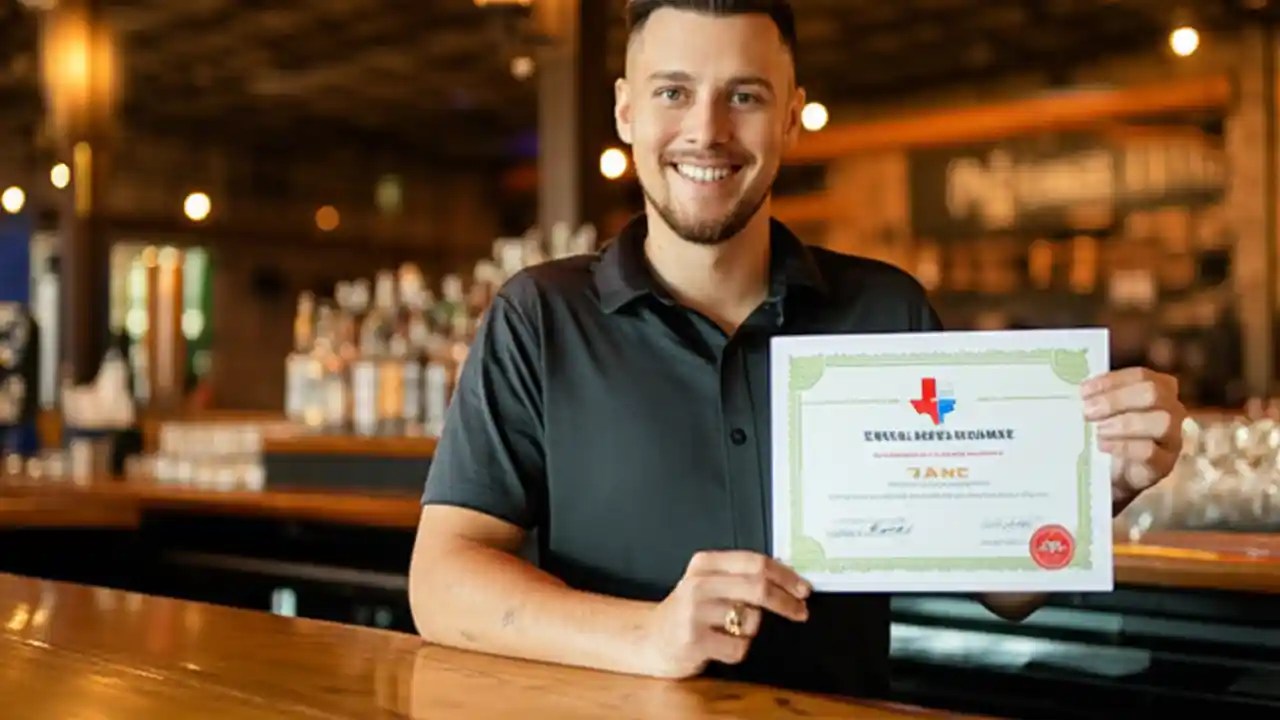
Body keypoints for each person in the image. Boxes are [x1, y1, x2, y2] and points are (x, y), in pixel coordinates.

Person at [408, 0, 1187, 697]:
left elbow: (1004, 589)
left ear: (791, 116)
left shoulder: (885, 310)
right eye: (673, 92)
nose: (706, 130)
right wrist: (648, 636)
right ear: (625, 111)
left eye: (744, 96)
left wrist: (1098, 480)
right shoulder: (541, 317)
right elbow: (441, 581)